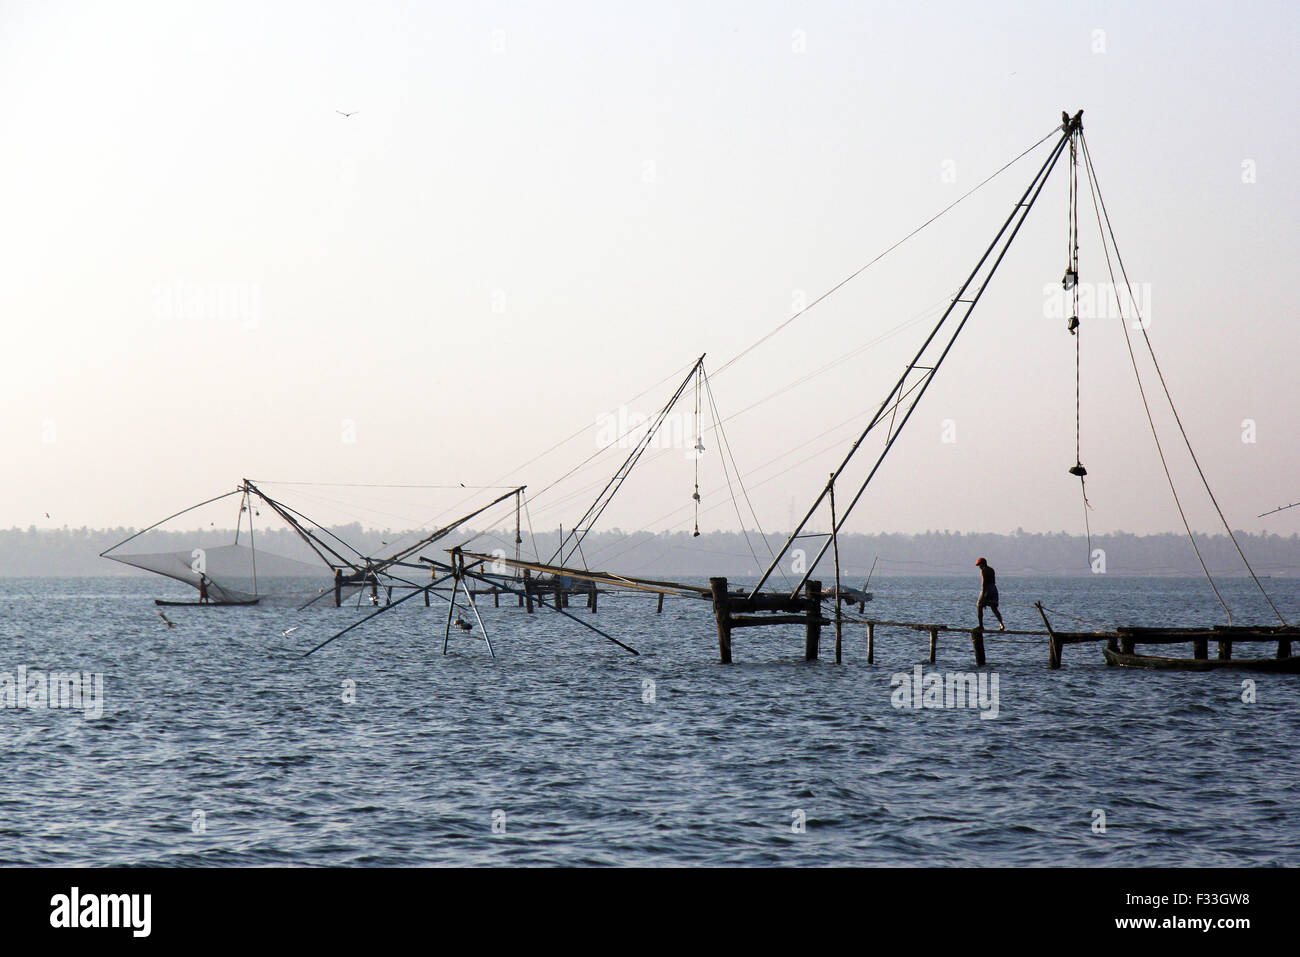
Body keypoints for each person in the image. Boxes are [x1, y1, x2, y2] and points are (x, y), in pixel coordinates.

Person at [974, 558, 1005, 631]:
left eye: (980, 565)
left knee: (979, 606)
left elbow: (984, 583)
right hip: (994, 588)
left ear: (983, 564)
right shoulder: (991, 569)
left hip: (987, 588)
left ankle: (981, 626)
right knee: (994, 608)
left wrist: (984, 596)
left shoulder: (983, 571)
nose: (979, 567)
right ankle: (1001, 624)